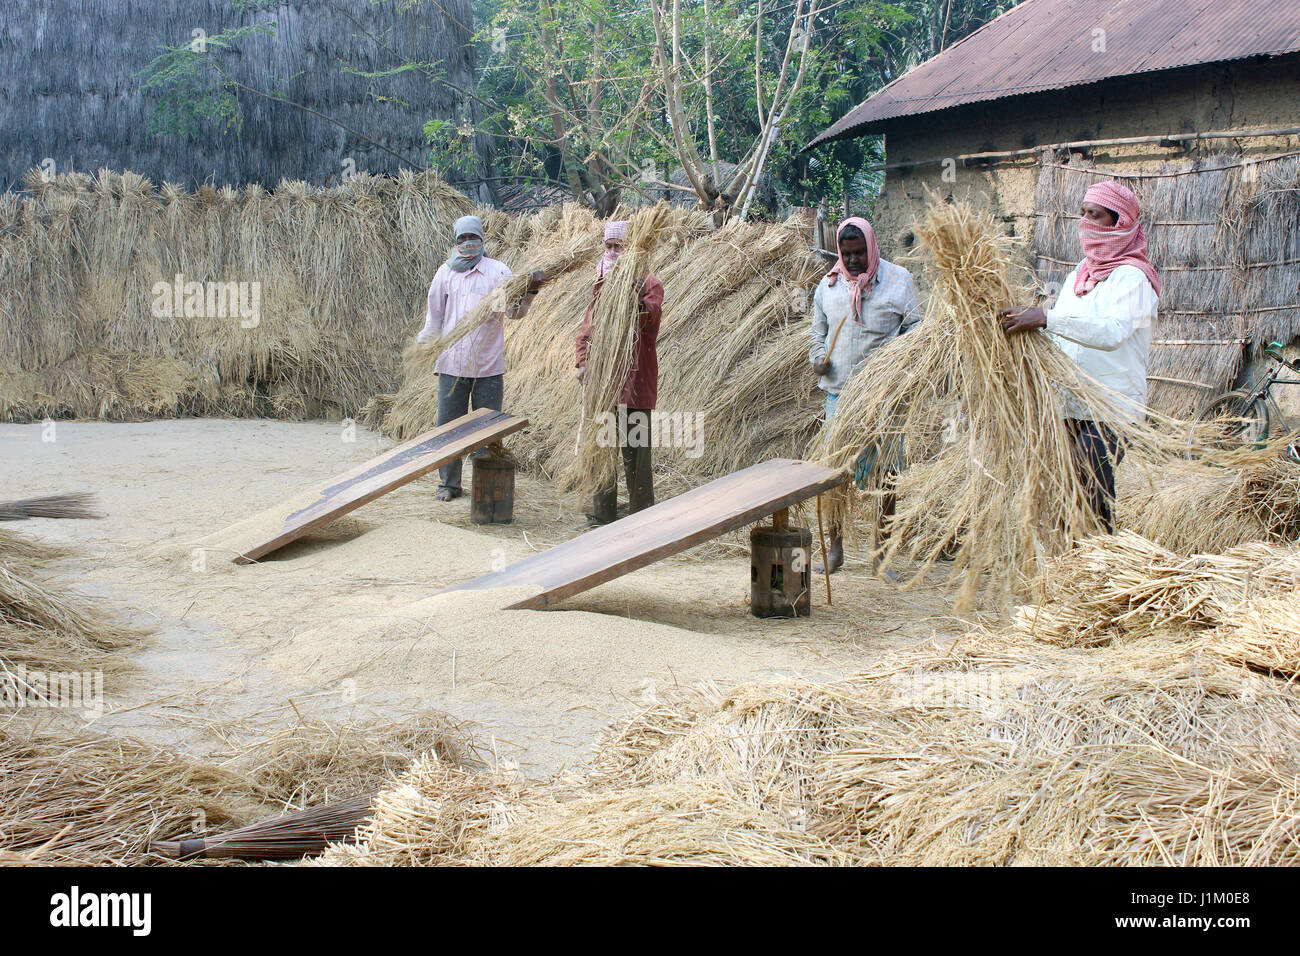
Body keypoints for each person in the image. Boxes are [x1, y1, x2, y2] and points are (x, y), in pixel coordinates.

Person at [998, 180, 1159, 533]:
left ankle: (1100, 563)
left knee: (1091, 483)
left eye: (1095, 214)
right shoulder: (1079, 275)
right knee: (1066, 488)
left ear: (1119, 222)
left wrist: (1045, 317)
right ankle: (1071, 565)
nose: (1085, 221)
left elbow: (1112, 331)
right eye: (1082, 213)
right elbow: (1064, 336)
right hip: (1071, 403)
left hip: (1111, 405)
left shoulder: (1133, 278)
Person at [809, 216, 921, 573]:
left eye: (860, 253)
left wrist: (897, 359)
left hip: (884, 397)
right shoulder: (828, 286)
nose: (854, 260)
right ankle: (835, 548)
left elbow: (917, 329)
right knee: (836, 474)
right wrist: (817, 359)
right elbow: (818, 332)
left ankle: (881, 553)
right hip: (839, 395)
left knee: (887, 476)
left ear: (872, 248)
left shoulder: (899, 281)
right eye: (847, 253)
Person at [418, 215, 544, 501]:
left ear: (481, 239)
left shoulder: (497, 273)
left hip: (488, 365)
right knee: (448, 427)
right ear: (455, 241)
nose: (468, 243)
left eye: (472, 237)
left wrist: (531, 293)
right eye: (462, 239)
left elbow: (512, 313)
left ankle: (484, 488)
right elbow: (434, 317)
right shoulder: (446, 273)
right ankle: (448, 485)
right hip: (452, 363)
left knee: (487, 431)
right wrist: (424, 348)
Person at [575, 220, 665, 526]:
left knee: (637, 453)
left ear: (633, 250)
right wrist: (583, 361)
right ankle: (602, 515)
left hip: (636, 385)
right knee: (602, 447)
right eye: (609, 247)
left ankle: (641, 516)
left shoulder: (649, 283)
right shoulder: (600, 284)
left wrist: (628, 288)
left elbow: (647, 317)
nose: (613, 253)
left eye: (620, 247)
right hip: (604, 385)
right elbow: (587, 330)